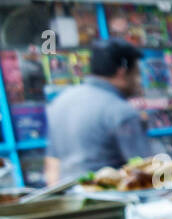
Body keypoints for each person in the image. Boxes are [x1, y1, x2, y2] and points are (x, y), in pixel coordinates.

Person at [44, 38, 152, 185]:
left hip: (69, 197)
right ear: (122, 72)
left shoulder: (60, 102)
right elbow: (146, 172)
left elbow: (52, 164)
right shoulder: (121, 111)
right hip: (112, 201)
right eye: (137, 74)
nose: (138, 81)